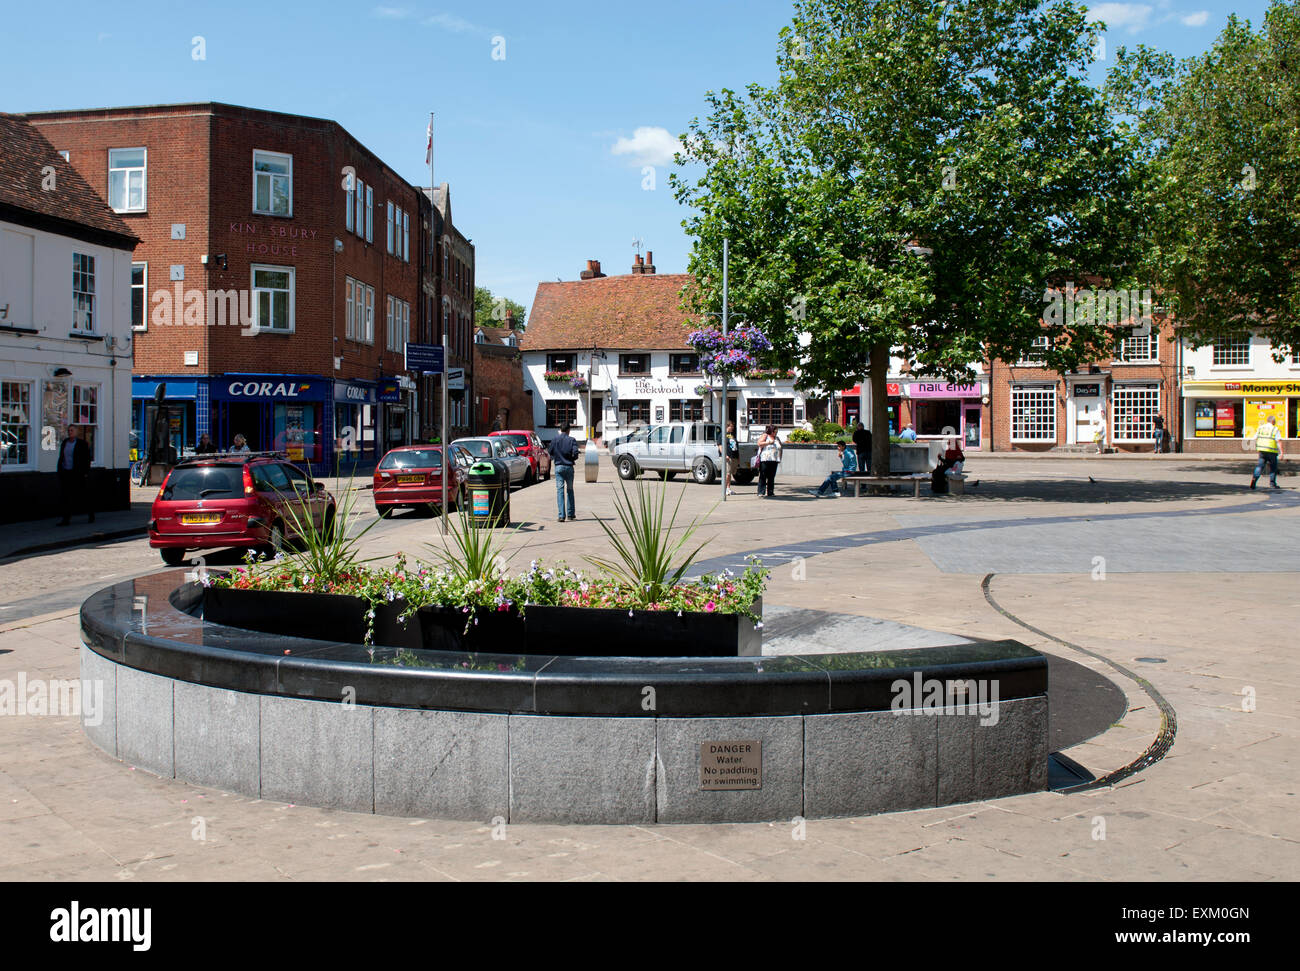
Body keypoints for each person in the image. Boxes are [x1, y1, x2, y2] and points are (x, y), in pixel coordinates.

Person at [56, 424, 93, 526]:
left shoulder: (82, 444)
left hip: (78, 473)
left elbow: (87, 459)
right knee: (66, 496)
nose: (70, 432)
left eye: (72, 430)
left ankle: (90, 513)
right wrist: (60, 469)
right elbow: (62, 457)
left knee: (82, 495)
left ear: (77, 432)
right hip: (66, 473)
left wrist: (85, 472)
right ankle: (66, 519)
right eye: (69, 430)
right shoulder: (65, 443)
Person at [547, 422, 580, 520]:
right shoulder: (572, 440)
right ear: (568, 430)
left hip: (558, 467)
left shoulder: (555, 439)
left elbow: (550, 452)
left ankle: (561, 515)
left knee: (560, 491)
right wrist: (571, 458)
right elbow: (575, 453)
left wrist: (556, 457)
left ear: (561, 430)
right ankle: (570, 514)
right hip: (569, 467)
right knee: (570, 490)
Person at [1250, 414, 1283, 489]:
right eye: (1275, 421)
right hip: (1271, 451)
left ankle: (1254, 480)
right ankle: (1272, 484)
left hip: (1262, 451)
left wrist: (1257, 447)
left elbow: (1255, 438)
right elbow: (1279, 441)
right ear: (1273, 421)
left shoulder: (1260, 428)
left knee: (1260, 466)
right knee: (1273, 467)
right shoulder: (1275, 429)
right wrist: (1281, 452)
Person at [756, 424, 781, 498]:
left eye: (776, 431)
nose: (776, 432)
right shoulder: (765, 436)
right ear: (771, 430)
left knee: (771, 476)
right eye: (775, 431)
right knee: (763, 475)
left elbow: (780, 447)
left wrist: (780, 457)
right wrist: (769, 443)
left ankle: (770, 492)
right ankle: (761, 492)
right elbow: (759, 443)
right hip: (765, 459)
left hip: (774, 459)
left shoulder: (777, 438)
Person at [723, 422, 740, 496]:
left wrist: (738, 457)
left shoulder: (732, 435)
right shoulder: (723, 435)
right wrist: (725, 455)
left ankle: (728, 488)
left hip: (734, 456)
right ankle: (726, 489)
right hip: (728, 457)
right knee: (728, 473)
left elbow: (736, 446)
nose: (732, 428)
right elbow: (720, 446)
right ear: (727, 426)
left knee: (732, 473)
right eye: (731, 426)